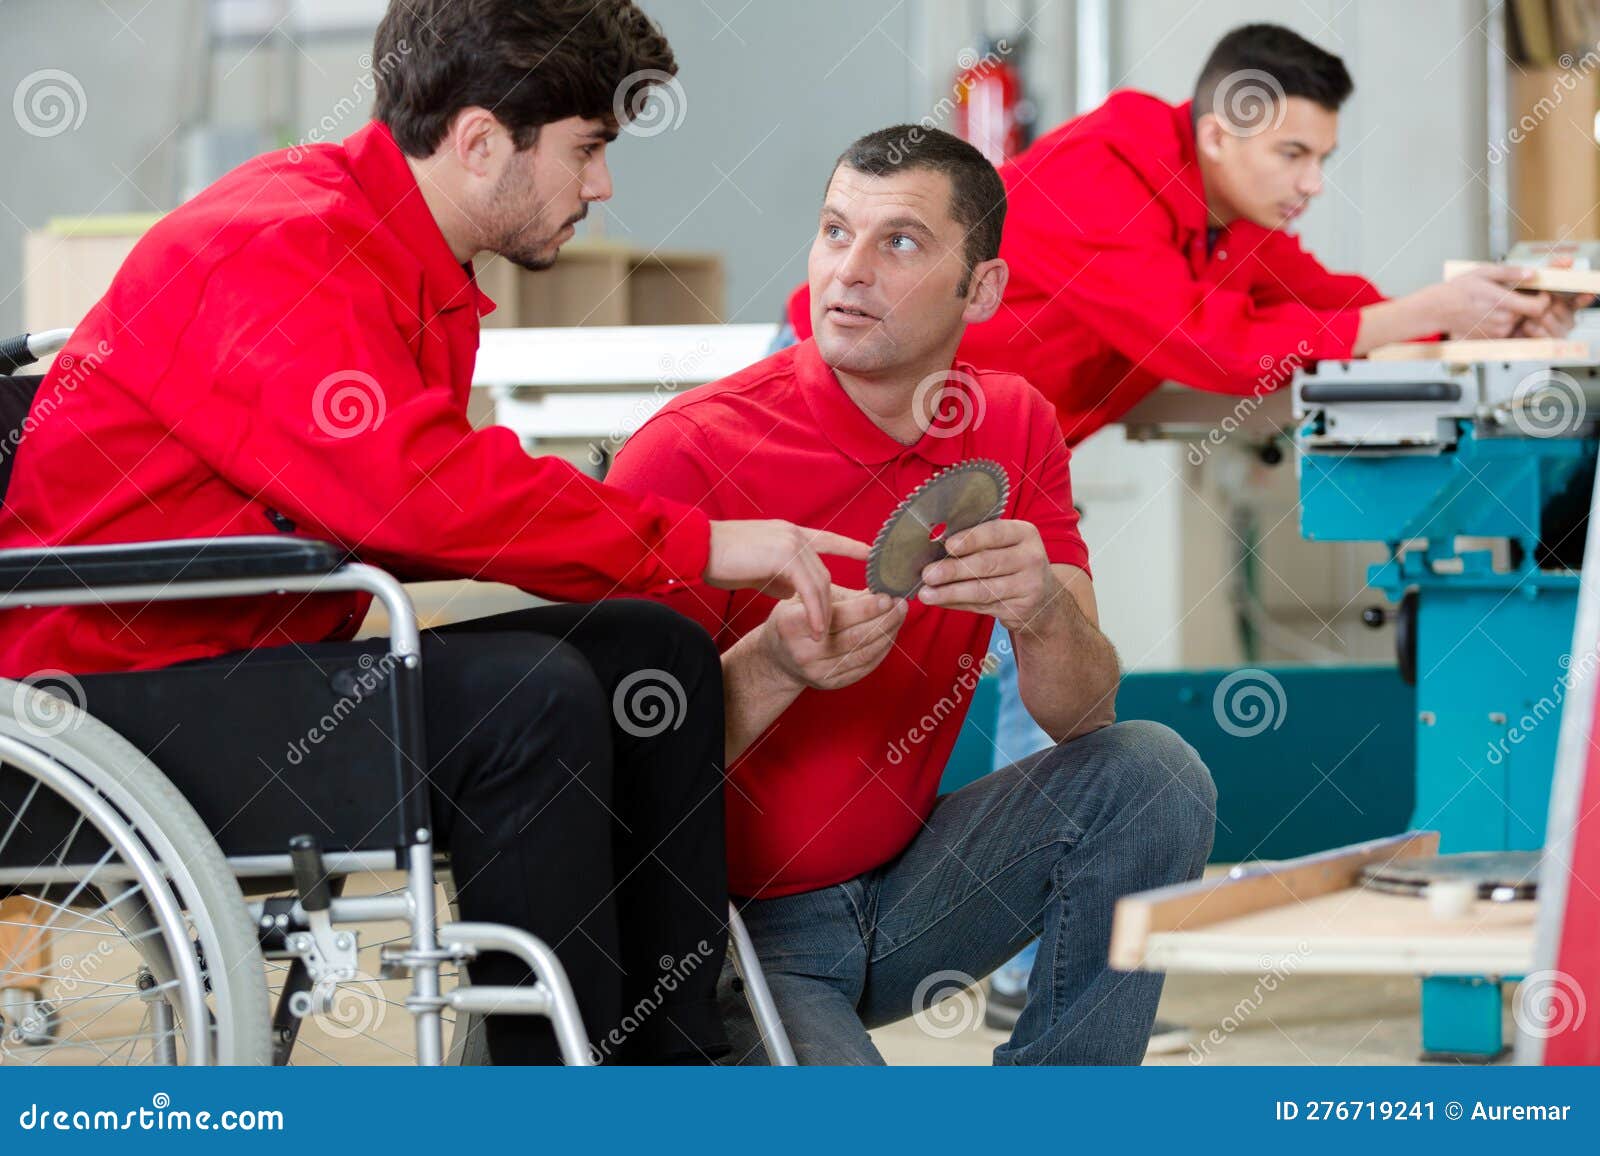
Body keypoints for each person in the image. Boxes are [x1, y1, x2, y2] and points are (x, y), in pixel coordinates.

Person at [0, 0, 866, 1065]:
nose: (601, 186)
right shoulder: (280, 249)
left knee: (658, 652)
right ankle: (542, 1093)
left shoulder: (387, 250)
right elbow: (412, 491)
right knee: (527, 700)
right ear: (479, 141)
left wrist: (651, 555)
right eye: (588, 150)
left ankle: (667, 1065)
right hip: (102, 709)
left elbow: (392, 501)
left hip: (239, 661)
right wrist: (701, 541)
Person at [780, 24, 1584, 1039]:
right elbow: (1203, 345)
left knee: (1052, 671)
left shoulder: (1217, 212)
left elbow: (1316, 299)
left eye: (1323, 158)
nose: (1310, 183)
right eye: (1292, 154)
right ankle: (780, 960)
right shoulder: (1101, 179)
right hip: (870, 387)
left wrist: (1466, 319)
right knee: (838, 653)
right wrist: (1425, 307)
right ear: (1218, 129)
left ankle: (1033, 982)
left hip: (996, 428)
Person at [608, 125, 1216, 1065]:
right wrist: (770, 667)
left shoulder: (1010, 422)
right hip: (729, 936)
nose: (846, 272)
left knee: (1150, 774)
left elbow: (1082, 713)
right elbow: (610, 779)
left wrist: (1043, 612)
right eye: (833, 231)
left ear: (983, 289)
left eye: (898, 242)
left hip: (905, 900)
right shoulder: (689, 451)